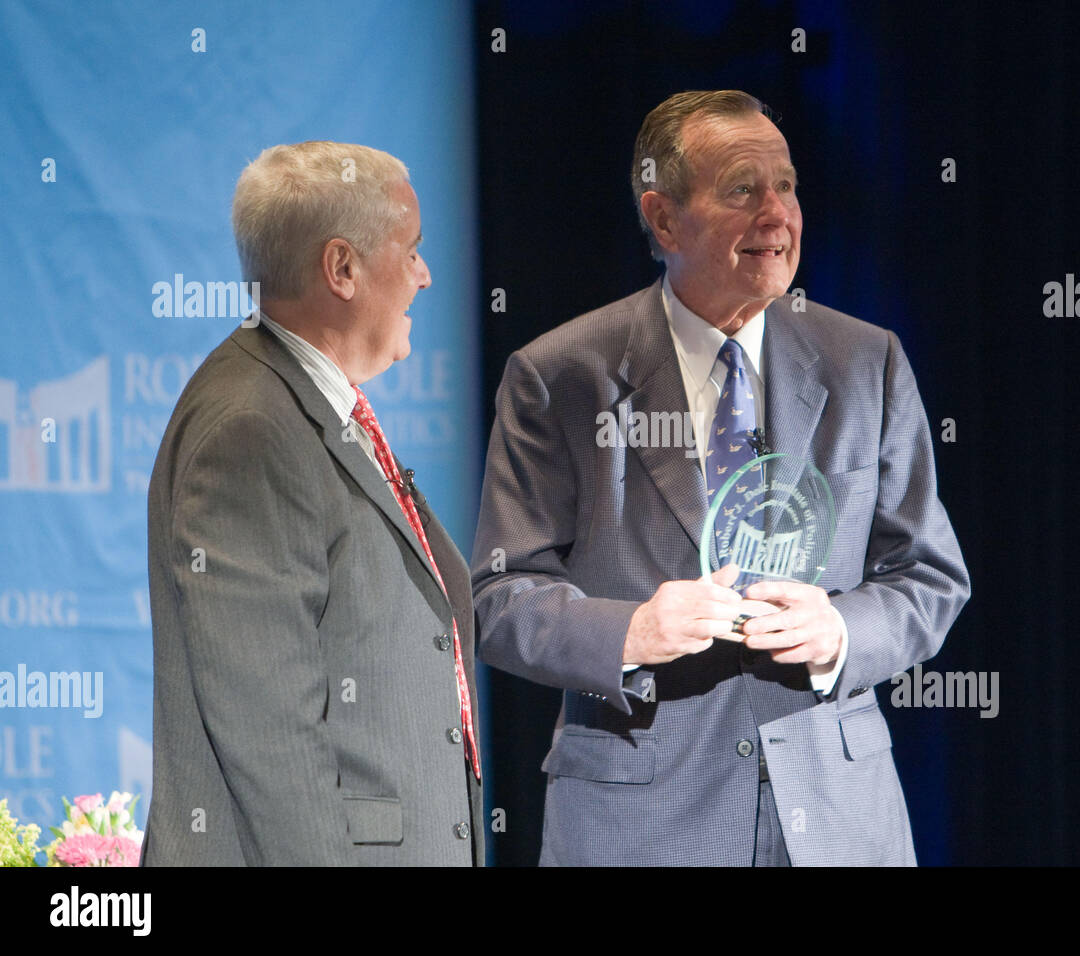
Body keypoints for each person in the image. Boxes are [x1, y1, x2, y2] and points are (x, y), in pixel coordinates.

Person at [471, 91, 970, 865]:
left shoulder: (865, 361)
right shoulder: (560, 375)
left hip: (836, 820)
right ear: (664, 218)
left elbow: (929, 576)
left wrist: (839, 630)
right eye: (743, 189)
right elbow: (501, 600)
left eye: (788, 186)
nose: (778, 215)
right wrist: (631, 632)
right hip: (641, 822)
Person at [143, 142, 482, 865]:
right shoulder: (251, 430)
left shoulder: (309, 409)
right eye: (412, 250)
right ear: (342, 269)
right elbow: (270, 738)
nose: (425, 275)